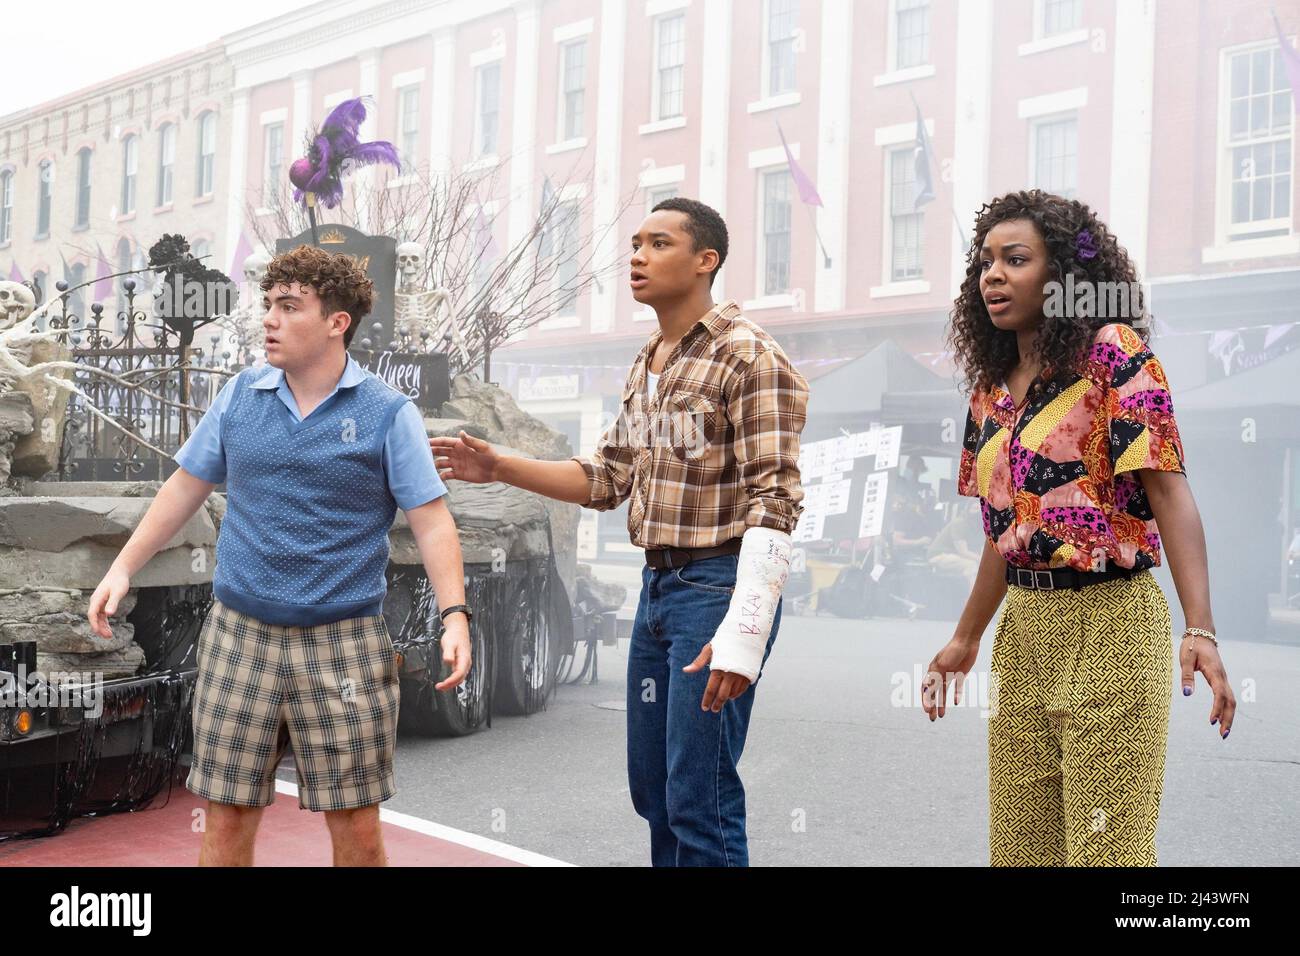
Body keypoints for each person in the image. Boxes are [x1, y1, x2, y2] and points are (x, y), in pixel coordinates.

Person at [431, 198, 808, 866]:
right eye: (634, 243)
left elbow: (775, 499)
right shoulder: (648, 364)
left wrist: (744, 632)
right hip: (659, 590)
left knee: (701, 795)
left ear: (705, 260)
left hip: (718, 590)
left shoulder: (750, 357)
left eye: (658, 243)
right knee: (656, 793)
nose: (636, 256)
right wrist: (498, 467)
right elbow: (606, 478)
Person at [86, 245, 471, 867]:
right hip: (239, 636)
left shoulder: (387, 414)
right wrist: (122, 566)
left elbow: (431, 520)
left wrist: (455, 615)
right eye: (268, 304)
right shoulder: (241, 396)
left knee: (356, 827)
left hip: (345, 642)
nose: (269, 318)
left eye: (289, 307)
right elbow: (185, 485)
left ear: (336, 322)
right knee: (227, 818)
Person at [921, 190, 1235, 866]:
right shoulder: (989, 388)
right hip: (1022, 637)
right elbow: (1003, 532)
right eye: (984, 263)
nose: (993, 276)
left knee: (1106, 855)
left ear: (1063, 276)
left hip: (1113, 622)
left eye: (1015, 259)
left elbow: (1169, 491)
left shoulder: (1115, 355)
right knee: (1022, 853)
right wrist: (964, 637)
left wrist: (1200, 628)